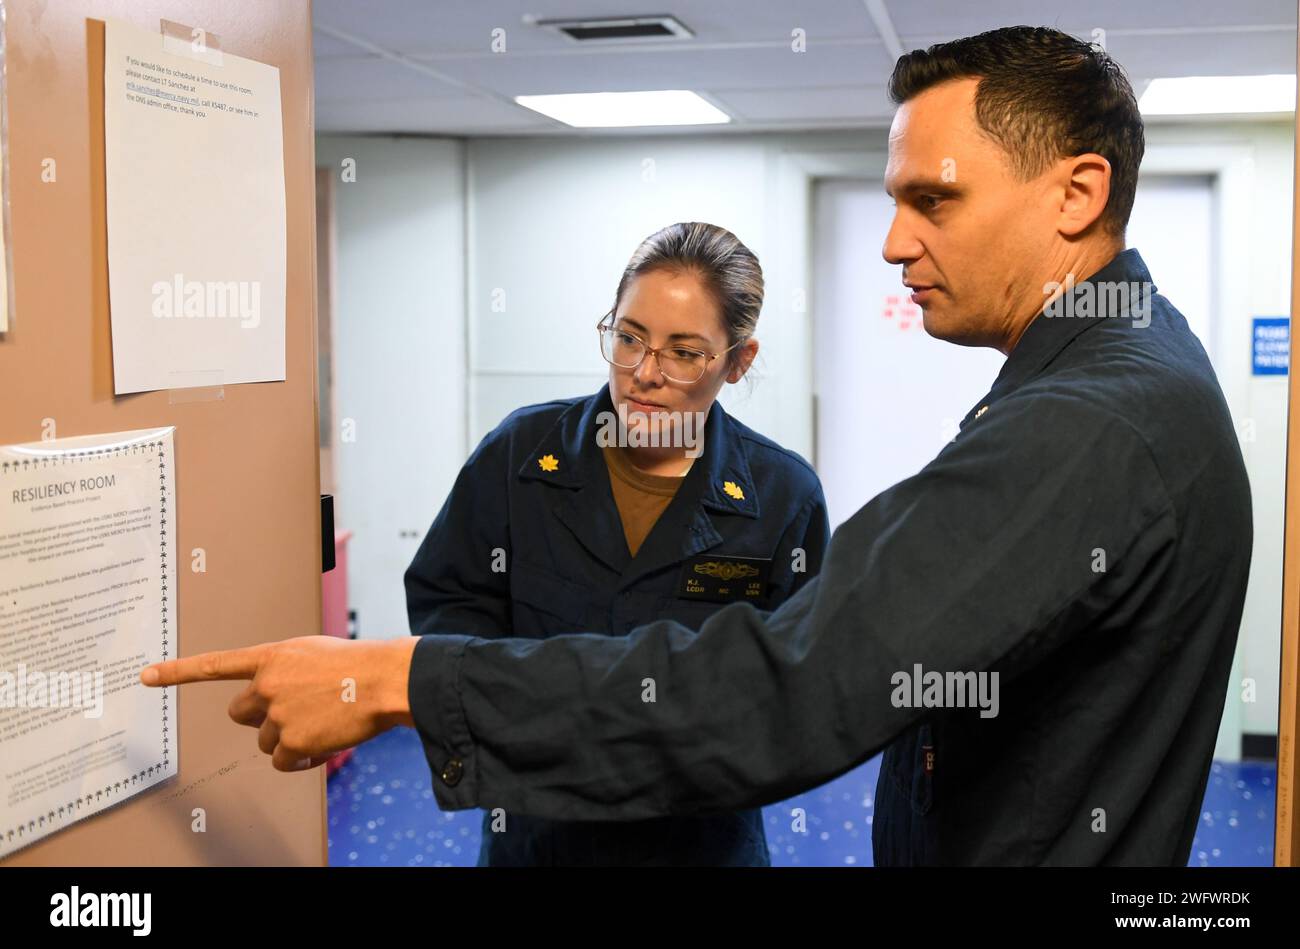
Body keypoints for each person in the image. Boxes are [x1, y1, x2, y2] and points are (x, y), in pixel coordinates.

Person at [141, 26, 1254, 866]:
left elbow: (794, 678)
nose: (893, 241)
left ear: (1077, 192)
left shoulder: (1087, 421)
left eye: (933, 199)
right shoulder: (1119, 367)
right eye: (629, 339)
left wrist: (400, 678)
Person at [401, 221, 830, 865]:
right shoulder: (521, 454)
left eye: (684, 351)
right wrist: (519, 719)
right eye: (629, 338)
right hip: (540, 830)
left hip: (698, 839)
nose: (642, 374)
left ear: (737, 362)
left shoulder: (782, 494)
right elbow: (449, 600)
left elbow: (797, 679)